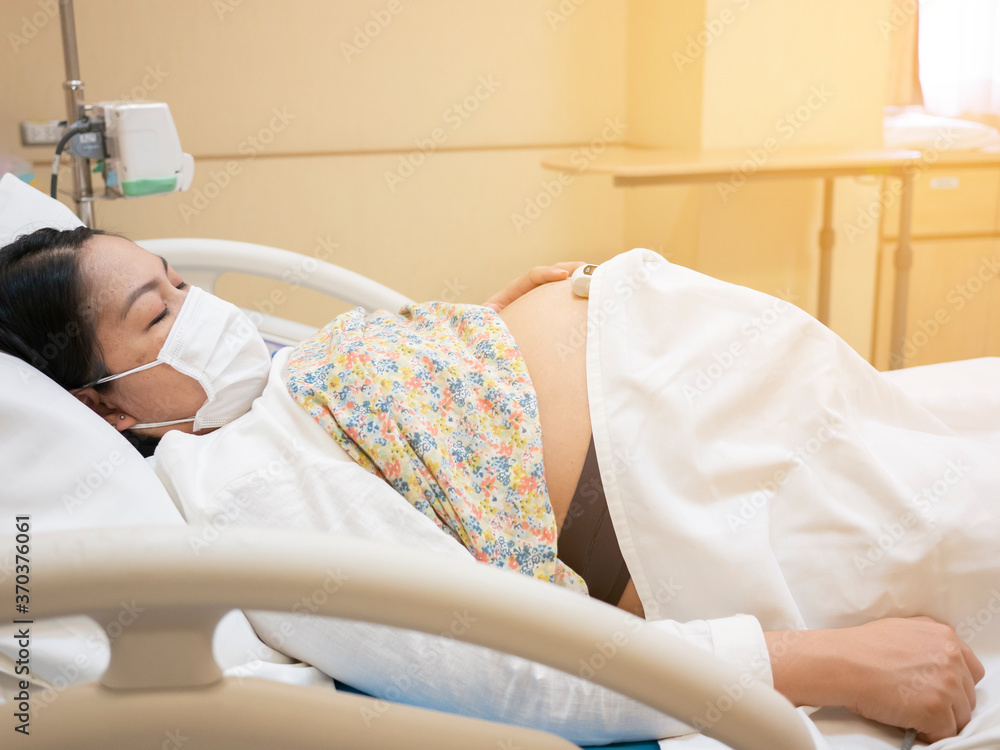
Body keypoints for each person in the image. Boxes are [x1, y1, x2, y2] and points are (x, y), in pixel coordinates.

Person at [0, 226, 991, 745]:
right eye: (156, 314)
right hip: (712, 483)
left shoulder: (268, 404)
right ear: (104, 409)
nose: (204, 312)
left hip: (735, 417)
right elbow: (502, 664)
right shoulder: (226, 486)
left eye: (181, 284)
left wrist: (481, 326)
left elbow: (438, 453)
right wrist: (830, 664)